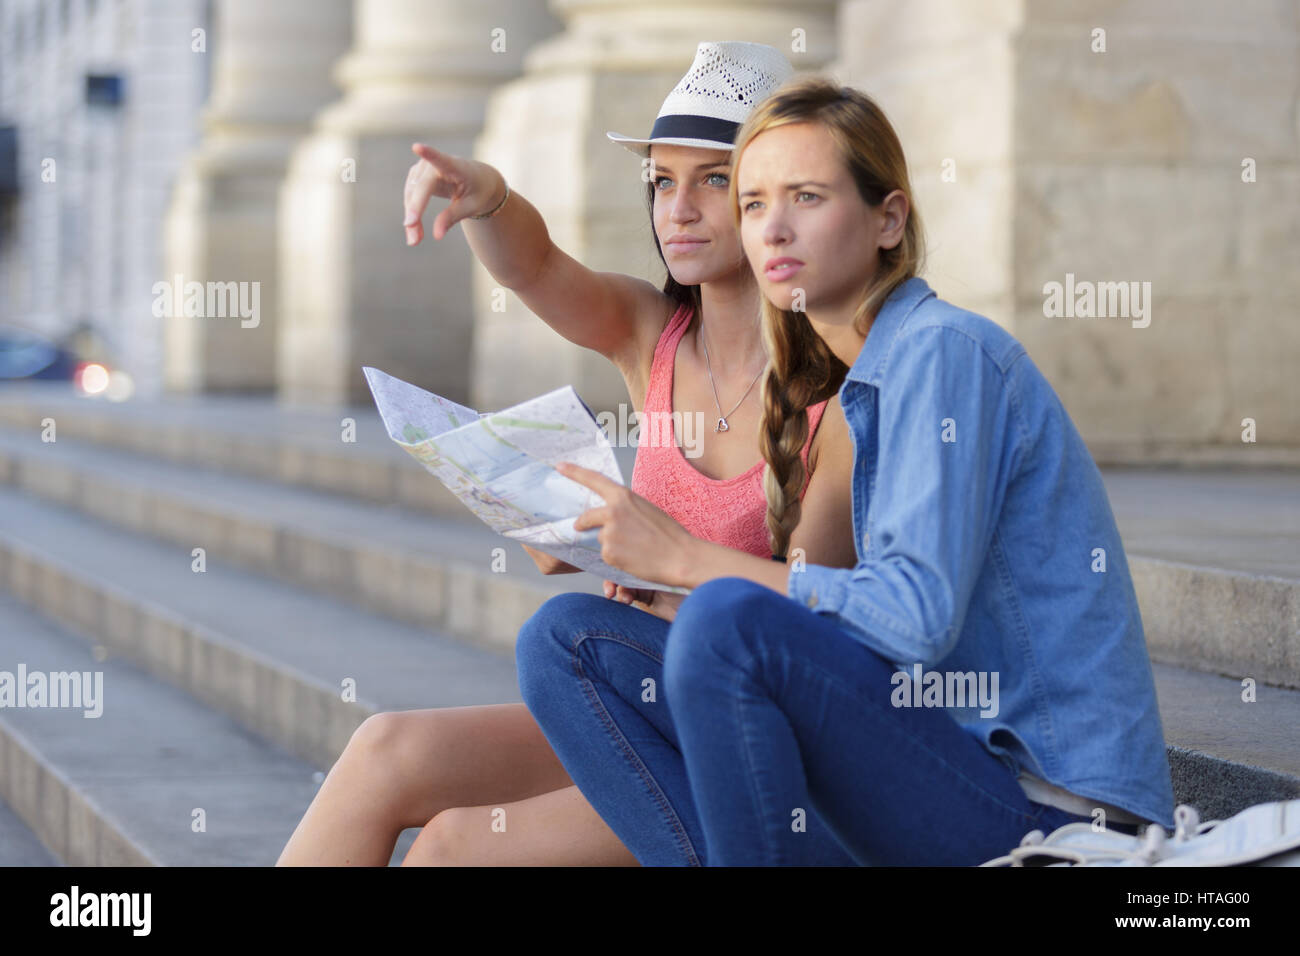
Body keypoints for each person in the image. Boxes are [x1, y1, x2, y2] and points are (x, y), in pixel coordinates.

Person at [517, 75, 1177, 865]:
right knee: (567, 637)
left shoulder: (940, 352)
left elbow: (911, 618)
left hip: (1052, 813)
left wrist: (689, 561)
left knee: (725, 623)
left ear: (888, 219)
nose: (773, 230)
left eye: (807, 198)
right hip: (927, 765)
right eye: (755, 203)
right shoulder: (860, 378)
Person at [276, 43, 859, 867]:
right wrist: (488, 200)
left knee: (453, 848)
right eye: (662, 181)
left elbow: (814, 626)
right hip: (631, 695)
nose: (679, 209)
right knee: (382, 752)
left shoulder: (833, 393)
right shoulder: (652, 332)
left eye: (714, 180)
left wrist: (663, 575)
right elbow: (540, 267)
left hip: (747, 733)